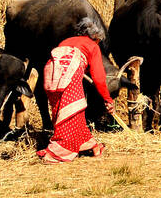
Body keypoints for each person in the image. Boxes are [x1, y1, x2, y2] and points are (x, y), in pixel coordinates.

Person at [36, 18, 116, 163]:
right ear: (96, 37)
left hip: (50, 73)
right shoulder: (92, 46)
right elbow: (98, 77)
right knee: (70, 114)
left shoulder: (66, 41)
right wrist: (108, 100)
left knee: (66, 111)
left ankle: (92, 145)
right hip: (70, 74)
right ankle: (55, 153)